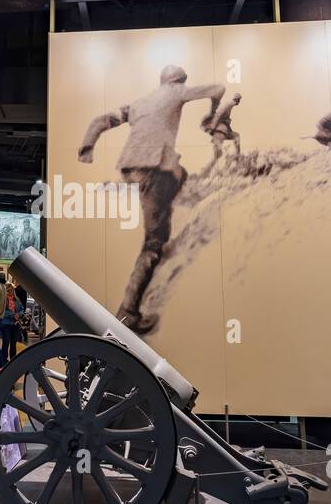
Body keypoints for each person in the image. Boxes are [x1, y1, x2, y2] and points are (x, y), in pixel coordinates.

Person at [78, 63, 226, 334]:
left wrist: (88, 147)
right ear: (178, 80)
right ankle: (128, 313)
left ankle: (165, 214)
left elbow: (101, 120)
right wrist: (212, 114)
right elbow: (218, 89)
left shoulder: (140, 103)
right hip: (154, 168)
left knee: (179, 173)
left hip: (132, 168)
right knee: (153, 243)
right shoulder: (176, 91)